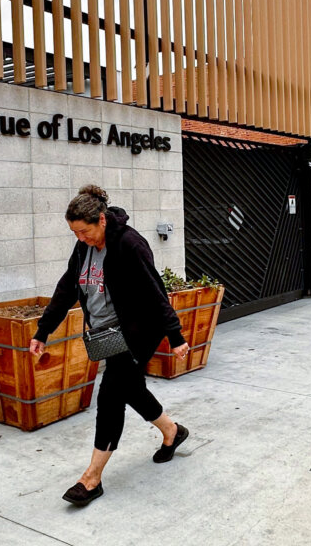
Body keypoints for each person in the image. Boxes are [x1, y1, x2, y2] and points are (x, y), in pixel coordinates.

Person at [29, 185, 190, 506]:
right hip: (108, 334)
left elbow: (155, 291)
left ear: (101, 220)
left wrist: (175, 336)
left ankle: (91, 478)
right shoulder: (82, 249)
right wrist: (43, 331)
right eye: (75, 232)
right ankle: (172, 431)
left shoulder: (130, 244)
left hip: (139, 332)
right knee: (130, 388)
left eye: (85, 231)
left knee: (111, 394)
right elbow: (66, 290)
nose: (81, 237)